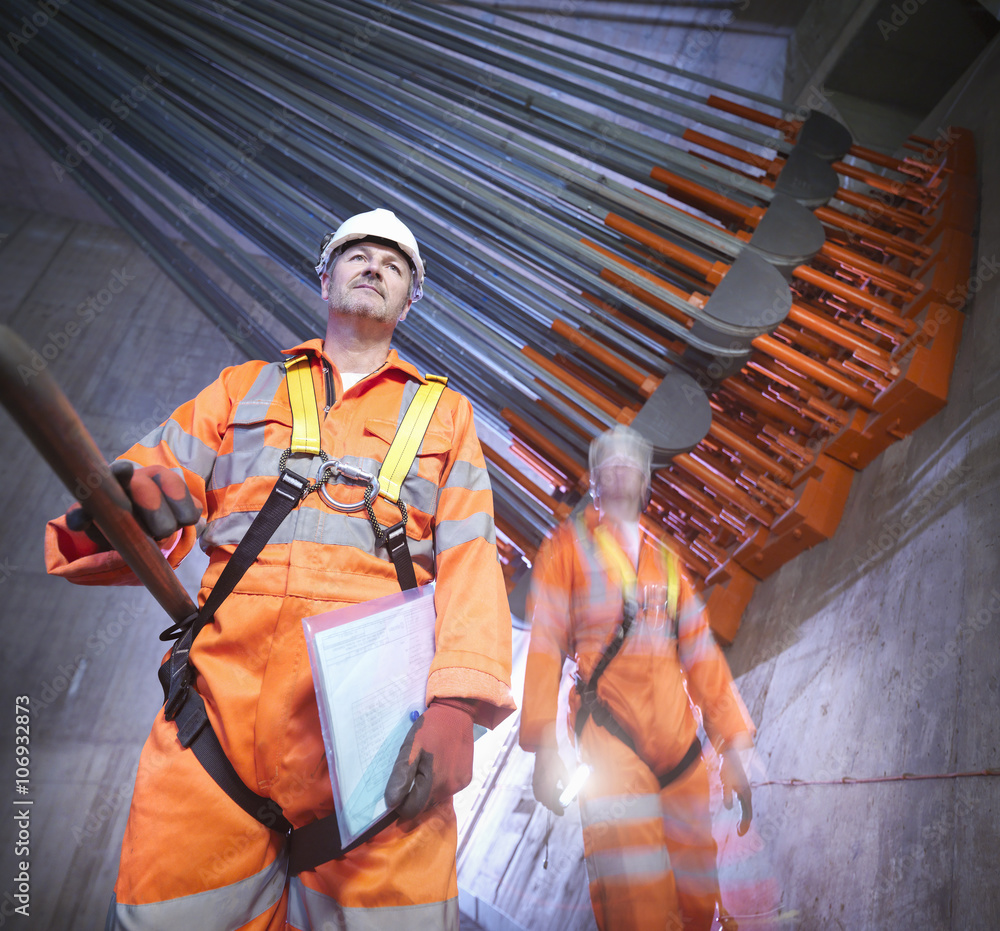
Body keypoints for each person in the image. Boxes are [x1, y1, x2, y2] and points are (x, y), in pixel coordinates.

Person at [45, 208, 515, 930]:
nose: (374, 266)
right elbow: (144, 480)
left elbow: (470, 558)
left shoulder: (446, 416)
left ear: (410, 300)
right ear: (324, 276)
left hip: (377, 751)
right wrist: (115, 511)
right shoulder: (242, 390)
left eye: (395, 265)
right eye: (357, 254)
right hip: (216, 730)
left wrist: (459, 703)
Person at [519, 425, 753, 931]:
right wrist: (544, 747)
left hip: (679, 750)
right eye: (611, 462)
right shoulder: (566, 554)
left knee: (697, 894)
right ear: (594, 482)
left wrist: (731, 747)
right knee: (638, 903)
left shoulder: (666, 563)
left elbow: (701, 655)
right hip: (613, 745)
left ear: (647, 483)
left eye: (633, 462)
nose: (622, 468)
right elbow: (543, 648)